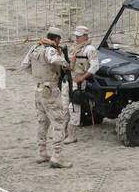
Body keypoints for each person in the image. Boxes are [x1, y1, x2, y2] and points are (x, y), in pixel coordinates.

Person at [16, 25, 71, 168]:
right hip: (50, 90)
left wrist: (38, 76)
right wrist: (65, 63)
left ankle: (42, 152)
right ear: (57, 39)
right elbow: (55, 60)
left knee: (42, 122)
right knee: (59, 122)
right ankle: (57, 156)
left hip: (38, 89)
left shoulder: (35, 48)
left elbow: (24, 65)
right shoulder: (50, 50)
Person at [64, 25, 99, 143]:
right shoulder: (74, 47)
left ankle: (72, 135)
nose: (77, 38)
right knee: (64, 107)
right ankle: (64, 133)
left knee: (74, 108)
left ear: (85, 36)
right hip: (68, 80)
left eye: (79, 36)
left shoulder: (90, 49)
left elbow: (95, 66)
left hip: (78, 82)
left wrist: (83, 77)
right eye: (76, 36)